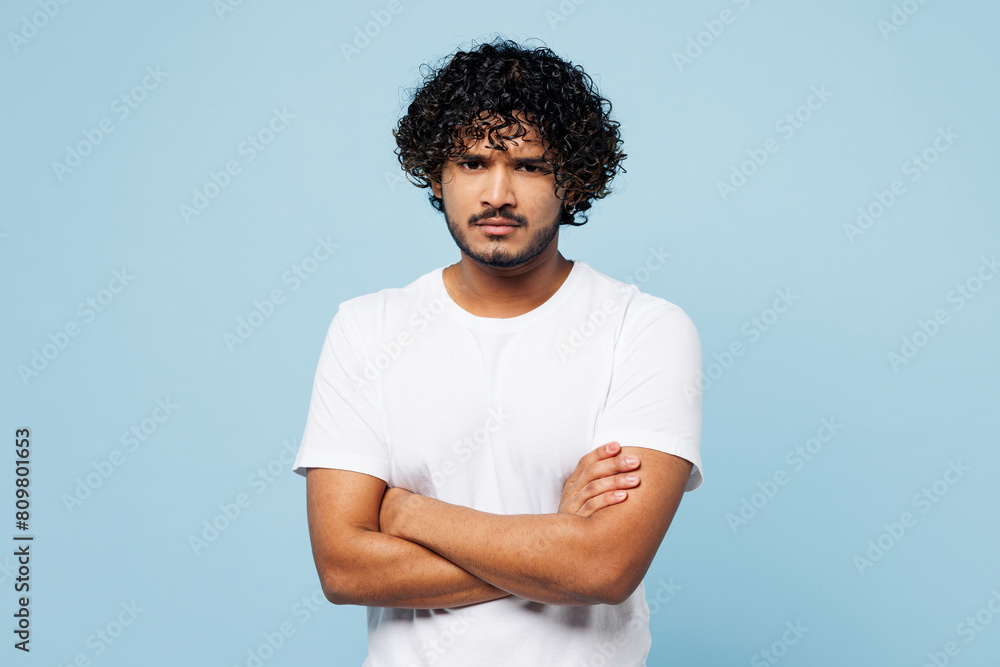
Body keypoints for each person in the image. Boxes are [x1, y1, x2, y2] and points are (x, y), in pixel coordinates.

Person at [292, 37, 703, 666]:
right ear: (437, 173)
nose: (498, 195)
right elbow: (344, 569)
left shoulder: (644, 329)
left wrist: (407, 512)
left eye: (531, 165)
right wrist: (556, 544)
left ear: (575, 177)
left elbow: (604, 568)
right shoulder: (367, 327)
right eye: (473, 163)